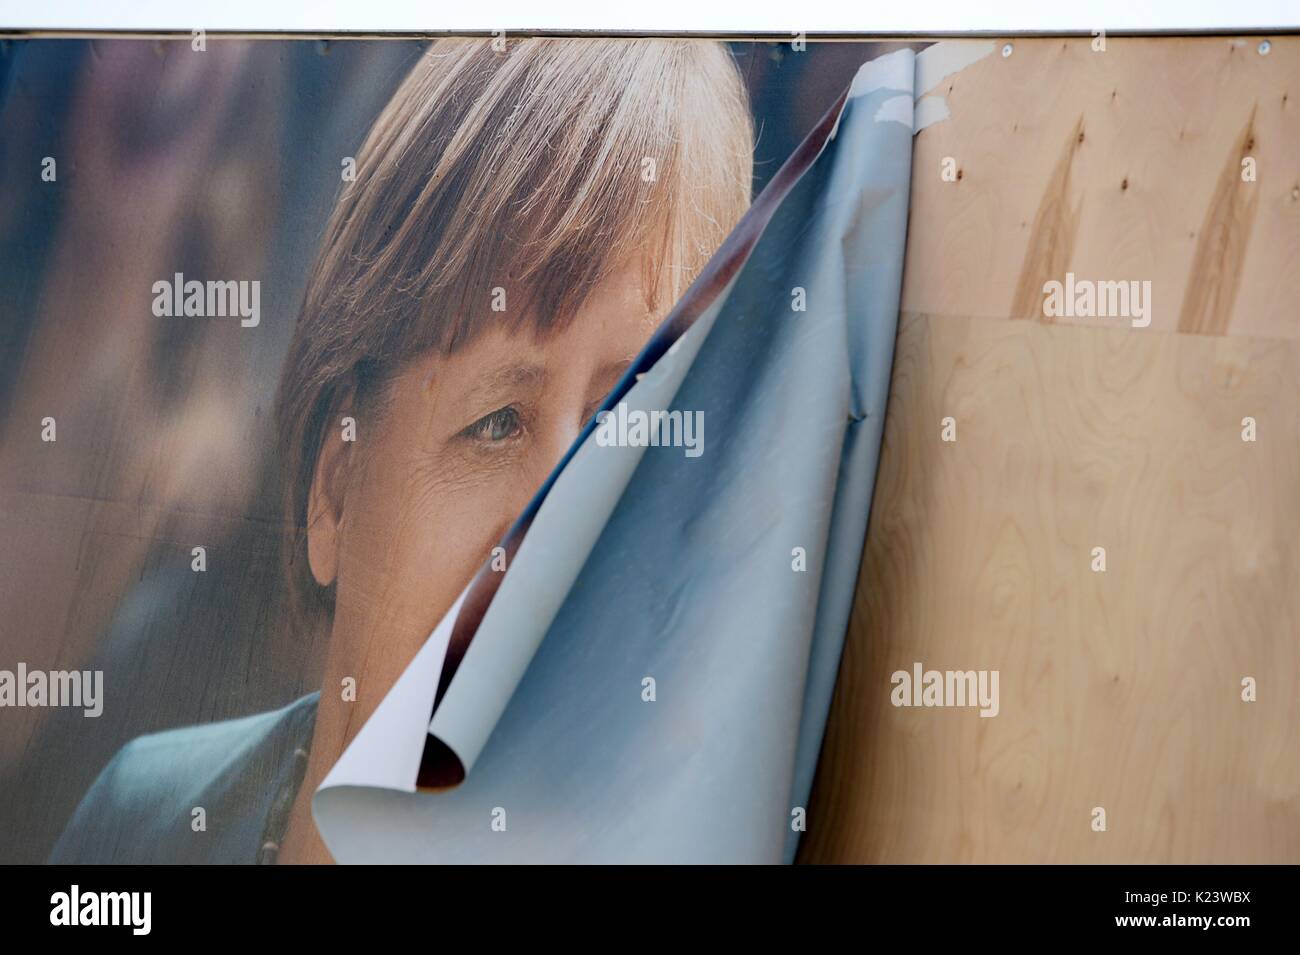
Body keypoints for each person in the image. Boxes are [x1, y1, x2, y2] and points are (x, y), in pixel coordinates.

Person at [50, 36, 753, 864]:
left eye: (630, 441)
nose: (563, 535)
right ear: (336, 488)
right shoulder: (141, 826)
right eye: (497, 421)